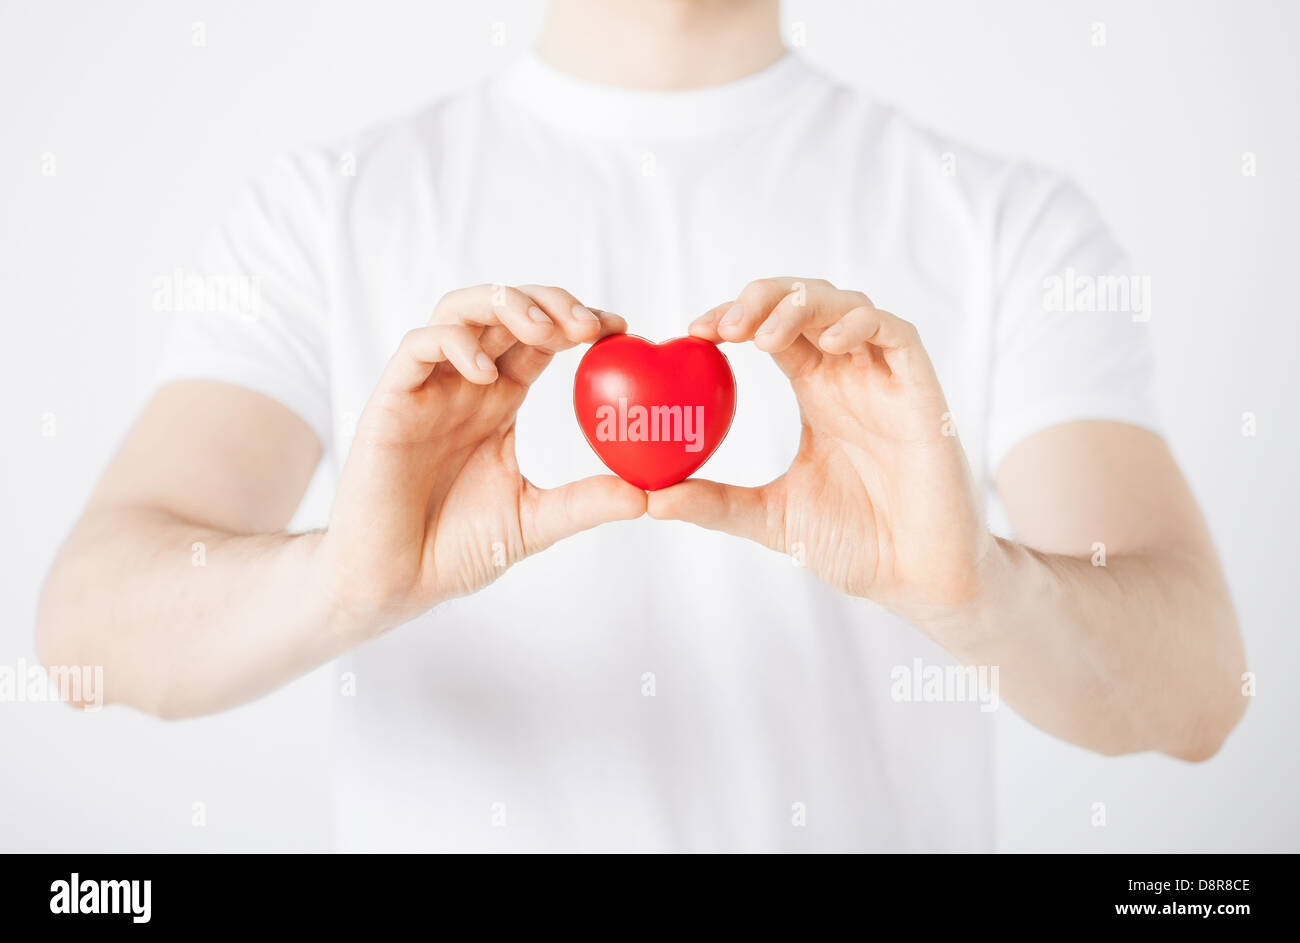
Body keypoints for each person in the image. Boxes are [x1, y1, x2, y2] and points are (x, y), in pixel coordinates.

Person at [36, 0, 1246, 851]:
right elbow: (84, 627)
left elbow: (1199, 686)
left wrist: (975, 588)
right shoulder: (324, 209)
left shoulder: (1006, 221)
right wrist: (346, 582)